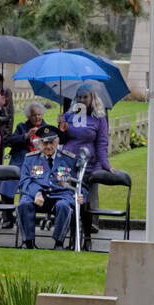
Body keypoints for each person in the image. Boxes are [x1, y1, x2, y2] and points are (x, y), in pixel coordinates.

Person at [15, 125, 87, 250]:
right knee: (24, 203)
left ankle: (59, 243)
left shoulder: (68, 159)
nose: (48, 147)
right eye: (44, 143)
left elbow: (82, 183)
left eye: (52, 142)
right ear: (39, 143)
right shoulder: (31, 159)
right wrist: (36, 192)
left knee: (64, 205)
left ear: (57, 141)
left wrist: (81, 195)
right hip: (37, 196)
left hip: (60, 196)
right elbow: (24, 181)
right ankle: (28, 242)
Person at [58, 85, 110, 231]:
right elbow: (61, 140)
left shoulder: (99, 119)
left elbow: (102, 142)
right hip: (68, 161)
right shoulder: (69, 116)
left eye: (85, 97)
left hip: (89, 162)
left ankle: (90, 225)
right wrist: (61, 126)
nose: (82, 99)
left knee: (90, 196)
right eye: (79, 97)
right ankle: (69, 222)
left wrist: (105, 164)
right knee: (66, 191)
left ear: (92, 98)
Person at [0, 101, 45, 216]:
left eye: (39, 114)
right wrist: (25, 136)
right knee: (7, 183)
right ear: (29, 116)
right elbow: (11, 141)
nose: (37, 117)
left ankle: (25, 215)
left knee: (30, 186)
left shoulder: (46, 129)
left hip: (38, 165)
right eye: (34, 115)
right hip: (20, 163)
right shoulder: (22, 127)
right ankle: (7, 217)